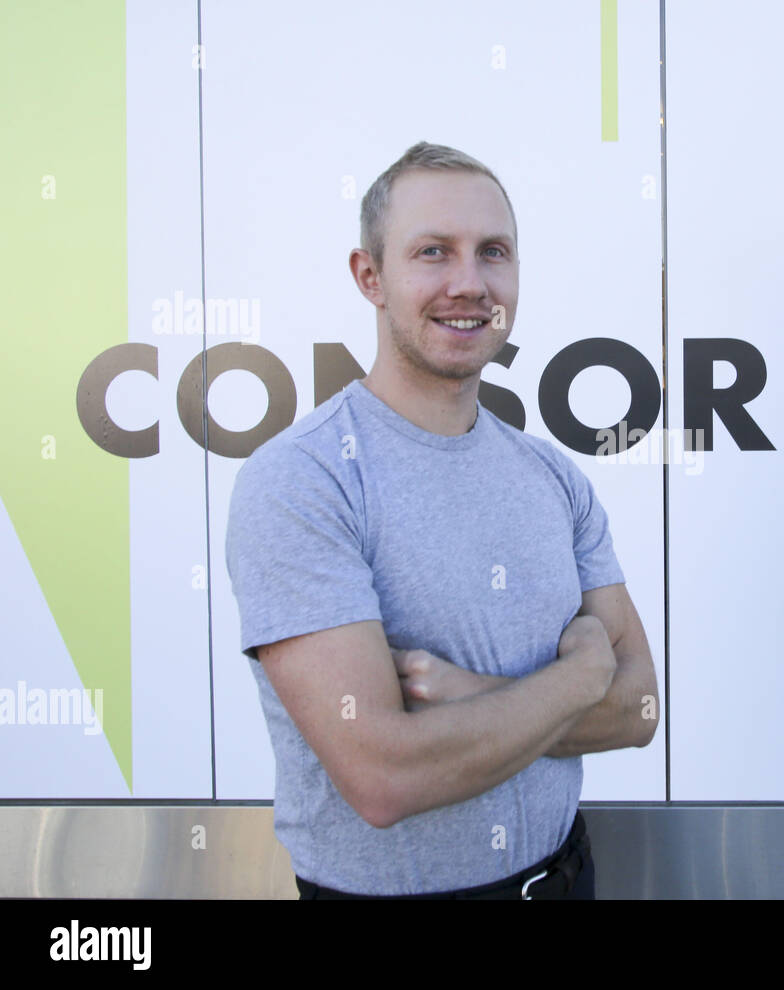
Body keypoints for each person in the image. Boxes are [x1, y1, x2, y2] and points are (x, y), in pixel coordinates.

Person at [226, 142, 658, 899]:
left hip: (566, 875)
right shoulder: (304, 480)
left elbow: (640, 710)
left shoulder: (552, 476)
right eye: (433, 252)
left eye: (494, 253)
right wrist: (584, 674)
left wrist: (473, 694)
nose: (470, 283)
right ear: (371, 277)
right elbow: (385, 777)